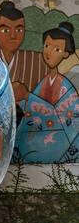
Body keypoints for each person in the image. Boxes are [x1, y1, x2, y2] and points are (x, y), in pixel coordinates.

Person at [17, 23, 79, 163]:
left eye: (56, 49)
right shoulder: (44, 81)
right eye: (46, 46)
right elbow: (30, 109)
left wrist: (27, 96)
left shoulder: (66, 88)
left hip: (60, 145)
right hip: (39, 140)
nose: (48, 52)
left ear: (66, 54)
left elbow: (67, 120)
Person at [0, 0, 45, 108]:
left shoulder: (38, 61)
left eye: (19, 30)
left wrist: (26, 95)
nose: (13, 36)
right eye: (5, 30)